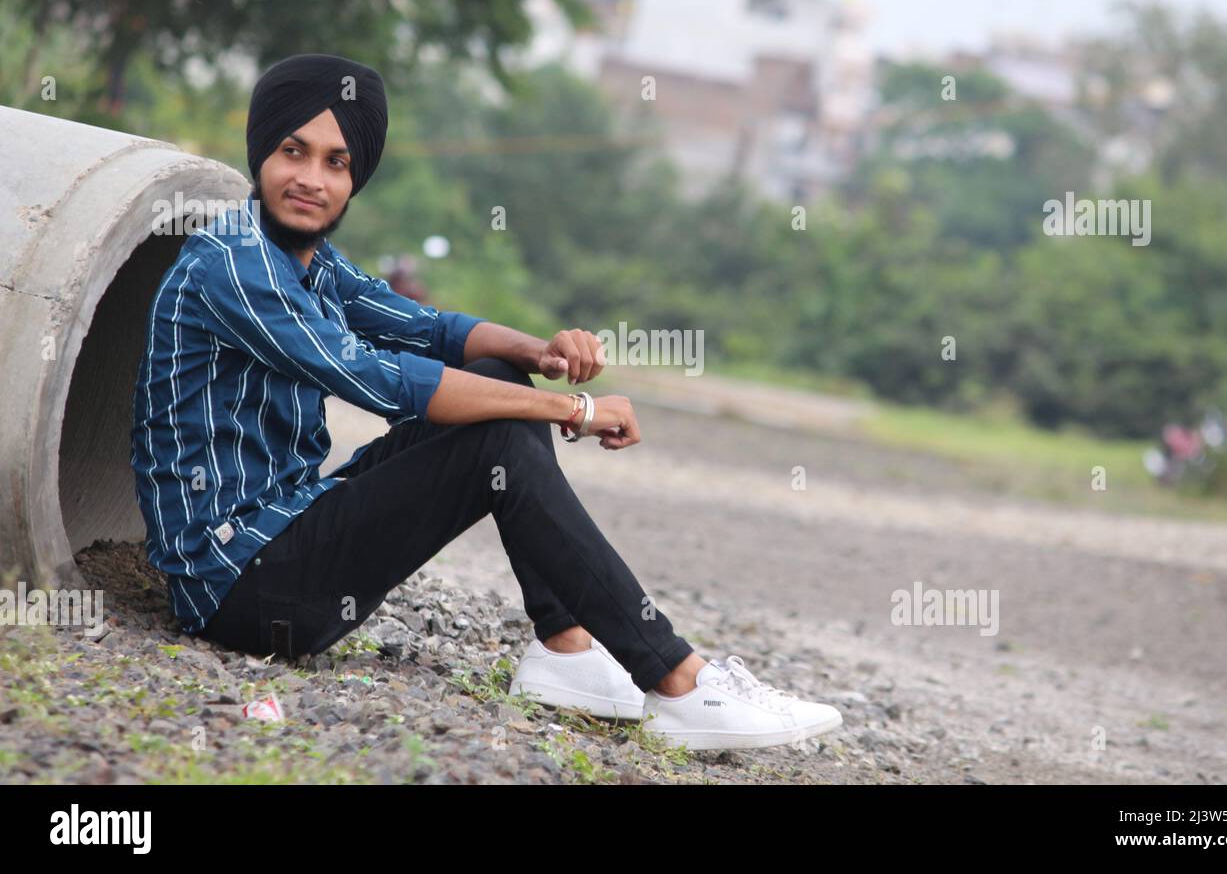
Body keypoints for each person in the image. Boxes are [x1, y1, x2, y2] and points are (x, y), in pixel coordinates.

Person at [129, 53, 841, 752]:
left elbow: (432, 330)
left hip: (291, 537)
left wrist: (544, 354)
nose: (311, 179)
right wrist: (576, 412)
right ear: (262, 154)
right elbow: (379, 380)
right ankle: (680, 681)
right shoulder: (233, 263)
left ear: (356, 178)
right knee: (498, 433)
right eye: (294, 152)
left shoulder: (309, 261)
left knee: (502, 375)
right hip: (241, 591)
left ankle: (566, 652)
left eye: (336, 163)